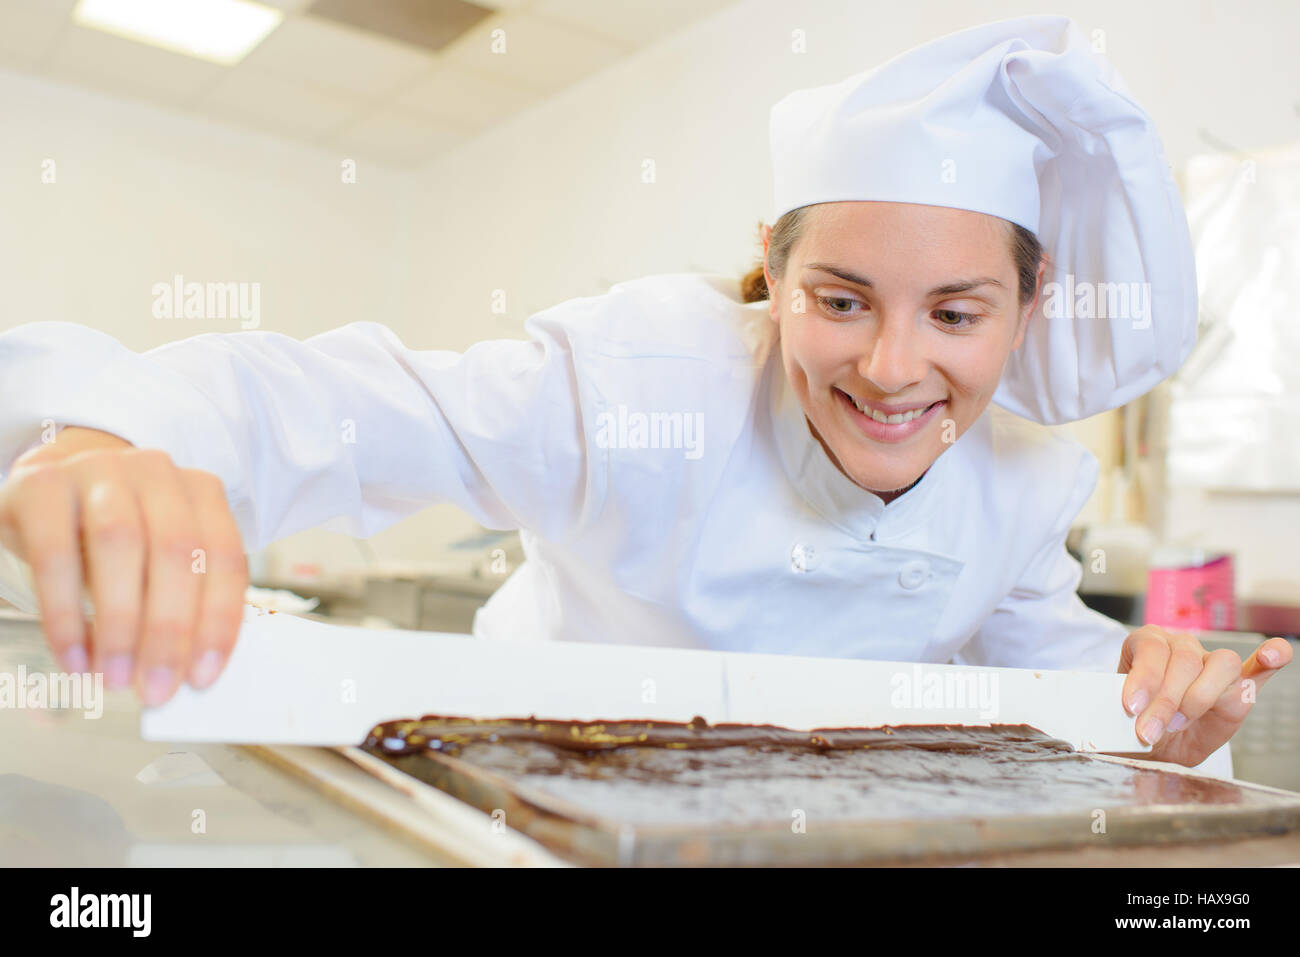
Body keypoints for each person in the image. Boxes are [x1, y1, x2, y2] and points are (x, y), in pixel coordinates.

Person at [0, 16, 1288, 779]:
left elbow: (1065, 700)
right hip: (525, 803)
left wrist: (1157, 700)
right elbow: (340, 400)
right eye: (839, 300)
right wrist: (97, 439)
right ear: (773, 277)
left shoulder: (1023, 483)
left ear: (1025, 307)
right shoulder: (635, 382)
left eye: (956, 313)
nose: (894, 369)